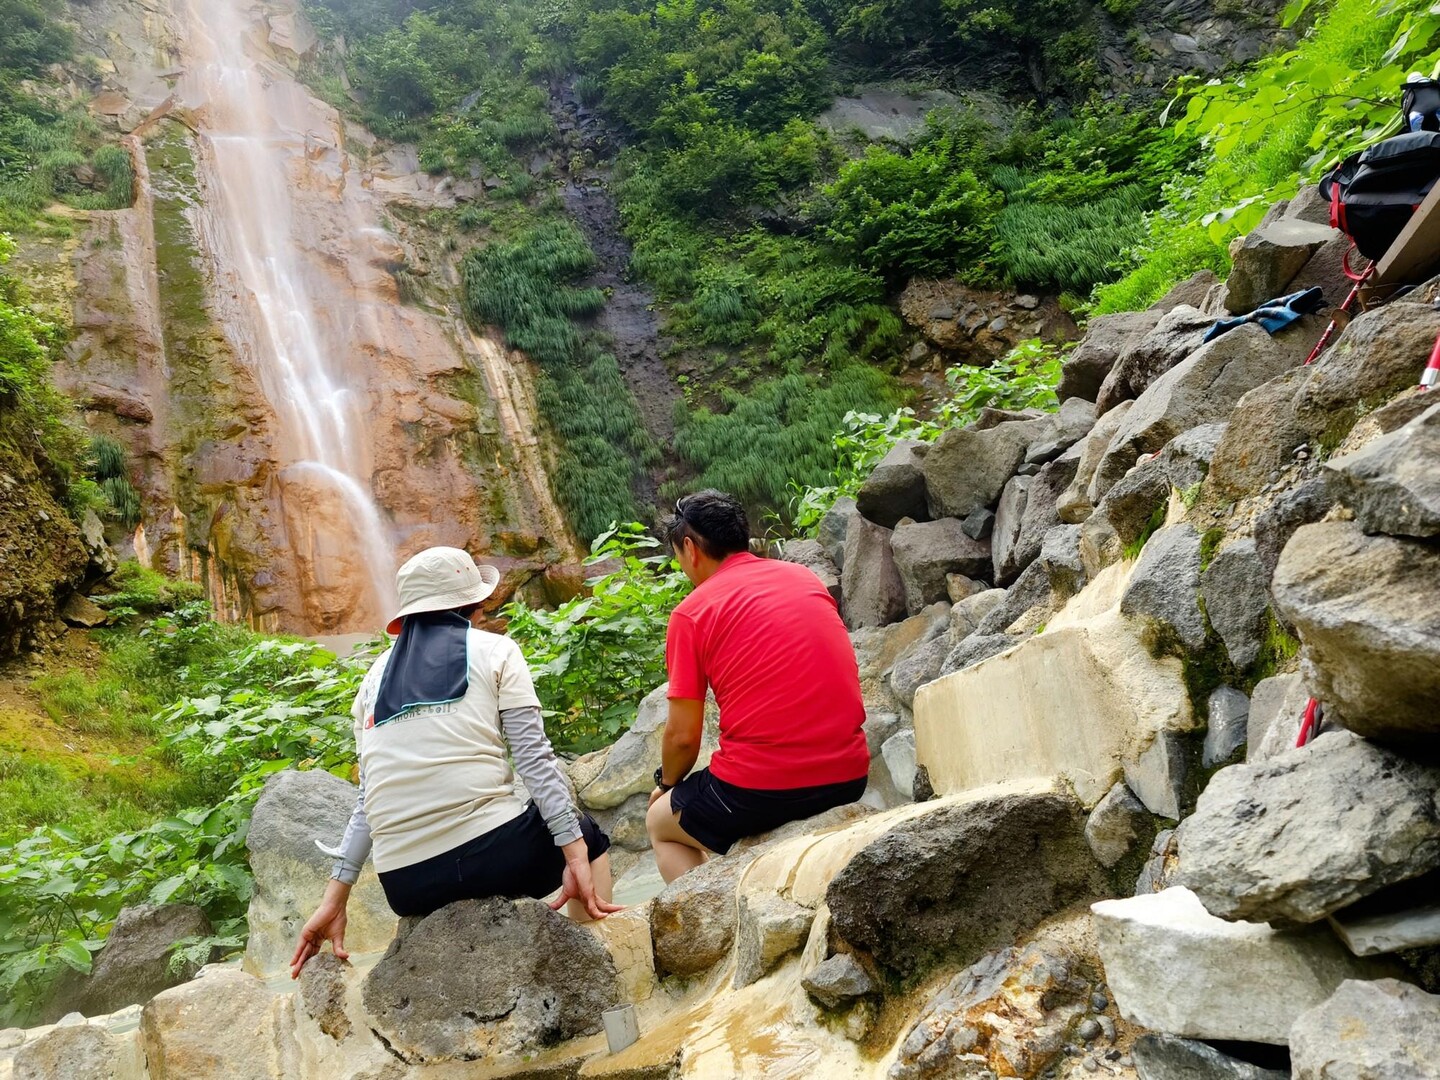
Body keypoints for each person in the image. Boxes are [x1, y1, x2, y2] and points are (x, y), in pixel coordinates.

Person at [290, 546, 620, 978]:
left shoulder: (370, 683)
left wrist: (335, 898)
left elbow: (368, 798)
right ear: (472, 605)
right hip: (494, 860)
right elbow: (534, 759)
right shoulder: (496, 651)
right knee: (587, 834)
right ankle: (595, 968)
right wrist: (574, 851)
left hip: (405, 885)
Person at [645, 490, 869, 883]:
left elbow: (682, 738)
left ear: (689, 547)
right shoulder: (803, 577)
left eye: (678, 557)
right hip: (849, 775)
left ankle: (719, 916)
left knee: (659, 823)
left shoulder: (692, 613)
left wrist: (665, 785)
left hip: (760, 792)